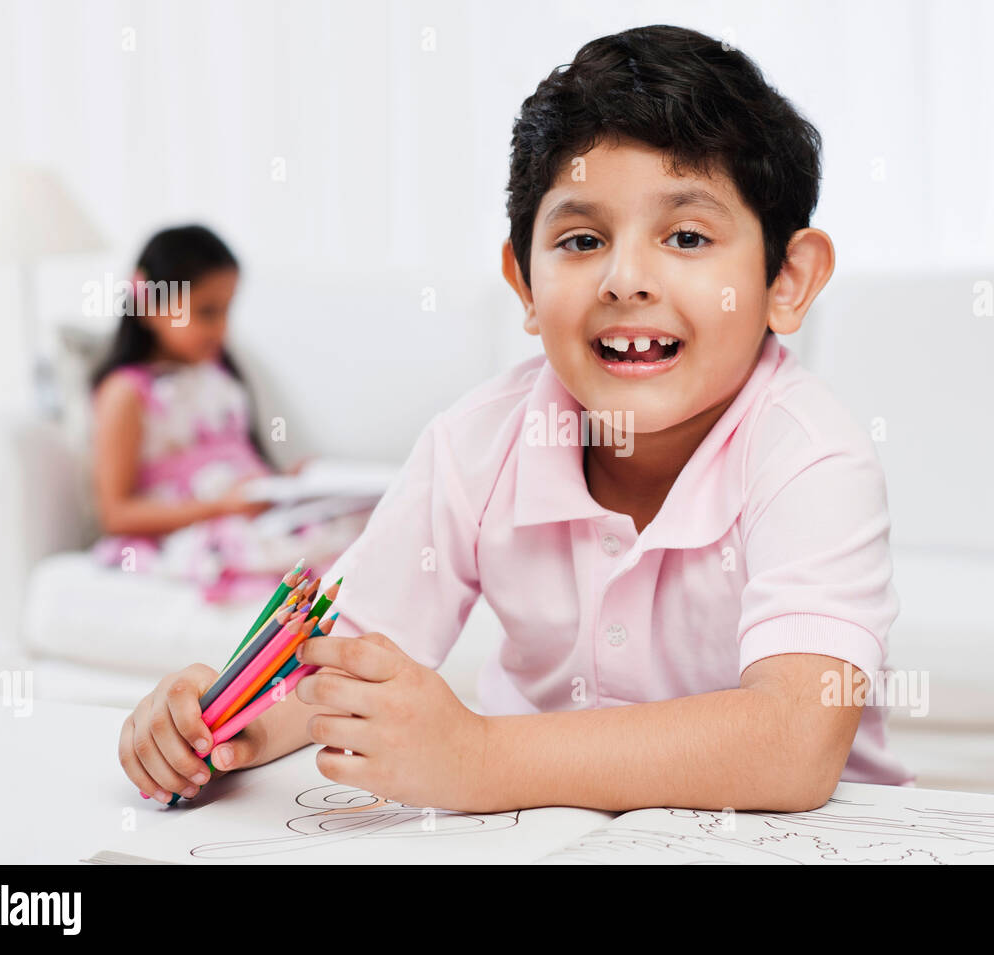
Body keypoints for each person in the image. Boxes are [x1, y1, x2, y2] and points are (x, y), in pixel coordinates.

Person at [120, 26, 916, 810]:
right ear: (525, 284)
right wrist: (222, 731)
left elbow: (792, 742)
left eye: (685, 234)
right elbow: (335, 664)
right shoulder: (478, 441)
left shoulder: (811, 454)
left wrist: (477, 755)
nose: (625, 277)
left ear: (788, 278)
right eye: (580, 238)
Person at [90, 224, 369, 602]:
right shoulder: (125, 393)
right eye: (207, 312)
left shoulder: (218, 378)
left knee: (366, 517)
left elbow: (235, 464)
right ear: (152, 304)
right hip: (196, 528)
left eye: (226, 311)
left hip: (249, 514)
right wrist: (221, 507)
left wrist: (285, 486)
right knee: (305, 550)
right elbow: (116, 515)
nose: (221, 328)